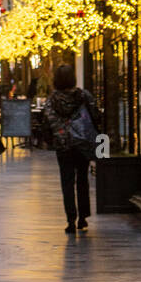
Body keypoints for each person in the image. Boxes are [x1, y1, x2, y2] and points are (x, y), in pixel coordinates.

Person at [42, 64, 100, 234]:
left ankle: (70, 220)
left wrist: (50, 140)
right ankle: (83, 217)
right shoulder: (83, 95)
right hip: (82, 142)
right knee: (82, 179)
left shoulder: (52, 99)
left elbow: (47, 121)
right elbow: (95, 115)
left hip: (63, 144)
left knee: (66, 182)